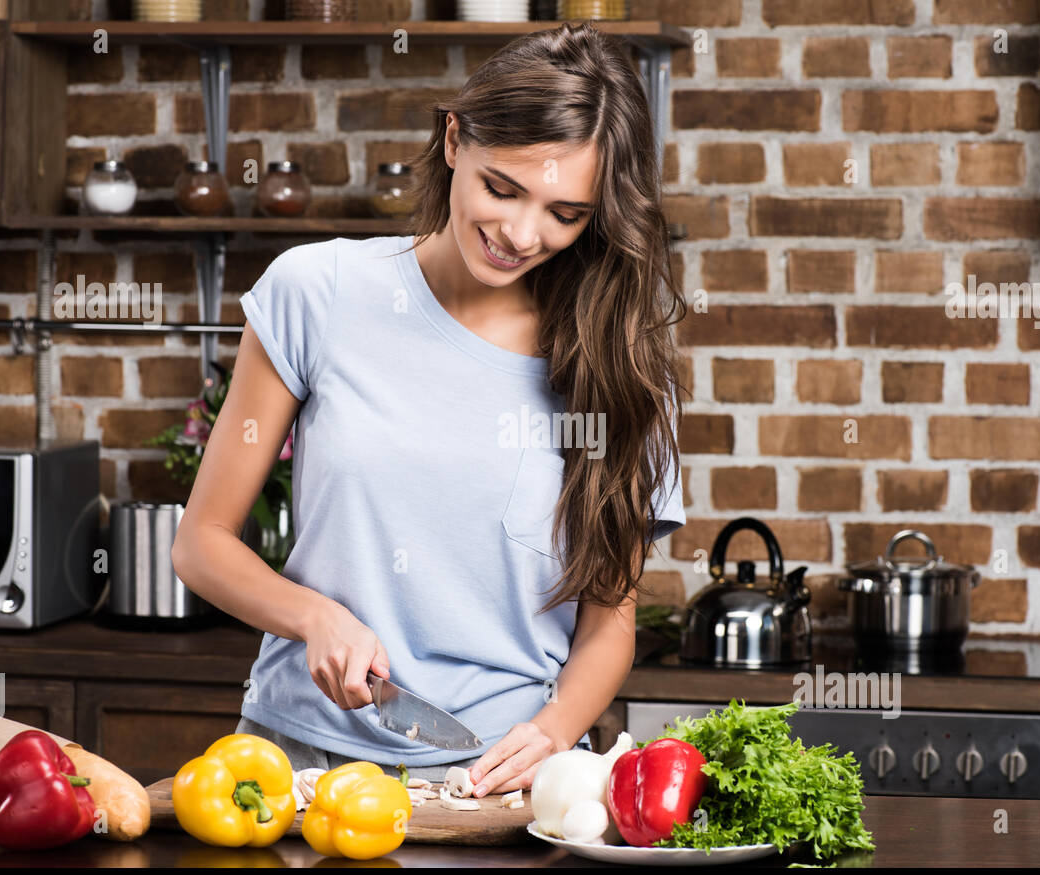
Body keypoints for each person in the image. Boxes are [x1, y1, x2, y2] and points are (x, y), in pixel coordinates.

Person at [171, 23, 687, 798]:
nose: (521, 234)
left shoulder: (622, 365)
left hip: (496, 782)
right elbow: (201, 544)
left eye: (565, 213)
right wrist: (312, 614)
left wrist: (551, 732)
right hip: (293, 764)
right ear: (454, 140)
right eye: (503, 189)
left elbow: (609, 620)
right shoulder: (318, 291)